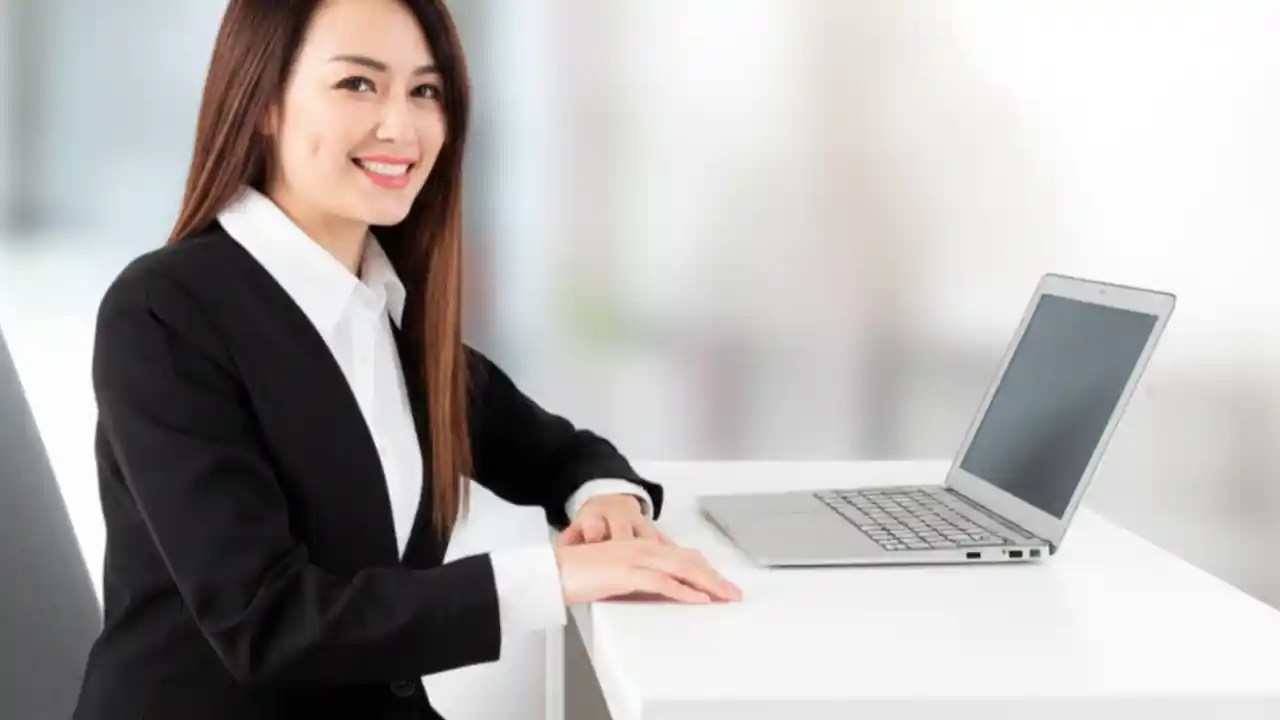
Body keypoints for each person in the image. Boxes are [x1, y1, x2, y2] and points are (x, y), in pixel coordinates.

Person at [71, 1, 741, 718]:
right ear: (262, 102)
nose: (403, 126)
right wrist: (554, 576)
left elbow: (554, 451)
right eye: (358, 84)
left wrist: (607, 502)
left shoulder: (378, 309)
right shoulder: (166, 313)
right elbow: (264, 622)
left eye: (425, 90)